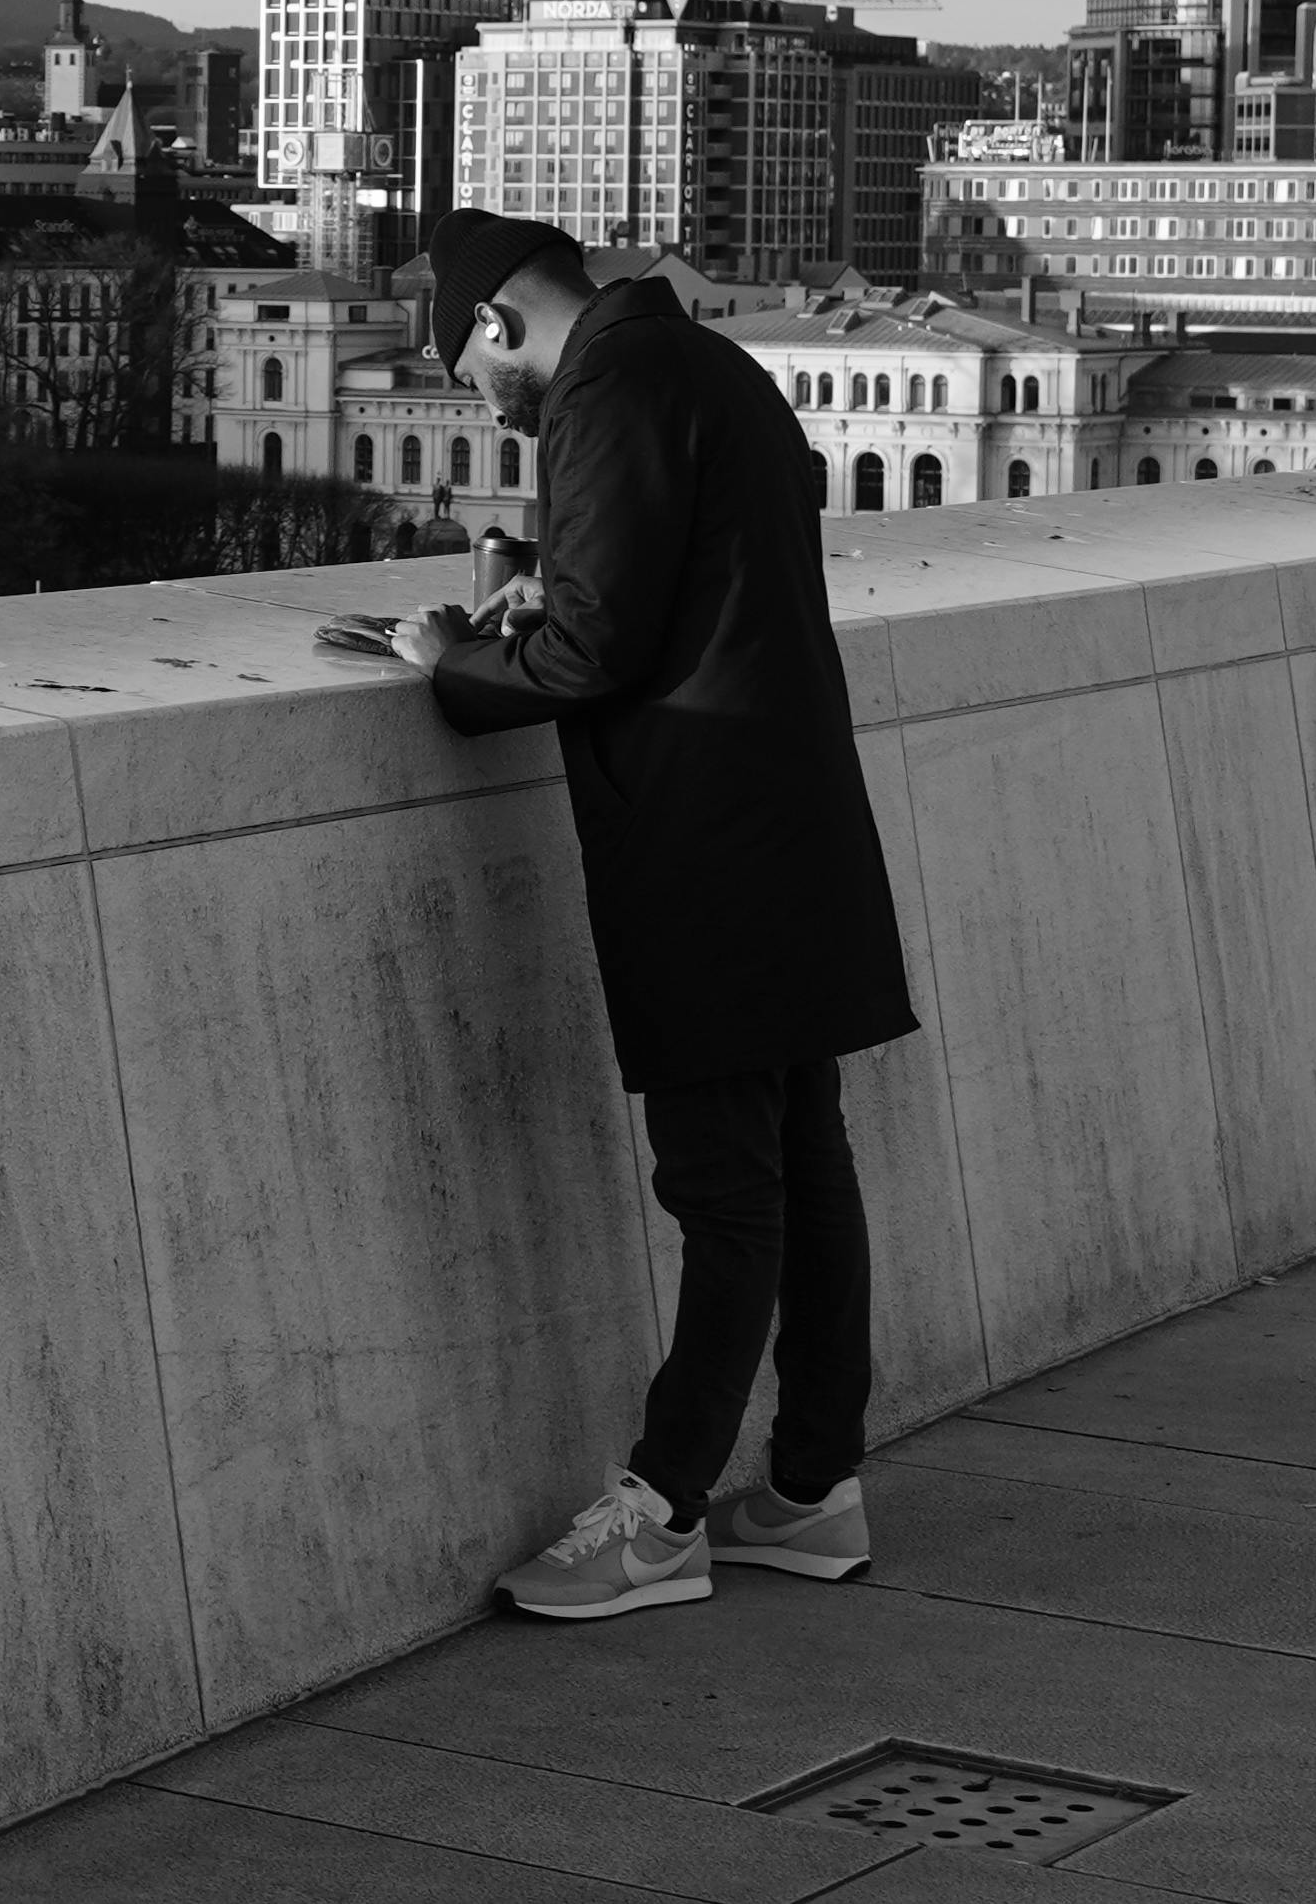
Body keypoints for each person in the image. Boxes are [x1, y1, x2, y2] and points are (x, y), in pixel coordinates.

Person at [390, 210, 916, 1620]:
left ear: (498, 323)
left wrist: (454, 658)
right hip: (788, 811)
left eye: (470, 376)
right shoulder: (702, 365)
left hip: (703, 836)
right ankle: (807, 1491)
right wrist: (546, 591)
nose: (488, 410)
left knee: (725, 1188)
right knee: (804, 1166)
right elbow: (677, 587)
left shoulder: (607, 391)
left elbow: (593, 652)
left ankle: (663, 1513)